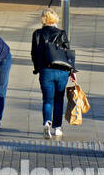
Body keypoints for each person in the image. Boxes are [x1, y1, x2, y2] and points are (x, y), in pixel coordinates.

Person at [31, 8, 76, 140]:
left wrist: (37, 68)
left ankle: (46, 122)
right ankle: (57, 128)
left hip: (46, 71)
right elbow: (68, 53)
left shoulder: (37, 34)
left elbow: (34, 53)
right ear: (55, 19)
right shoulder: (61, 33)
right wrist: (72, 71)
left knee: (47, 100)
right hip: (61, 71)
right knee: (58, 99)